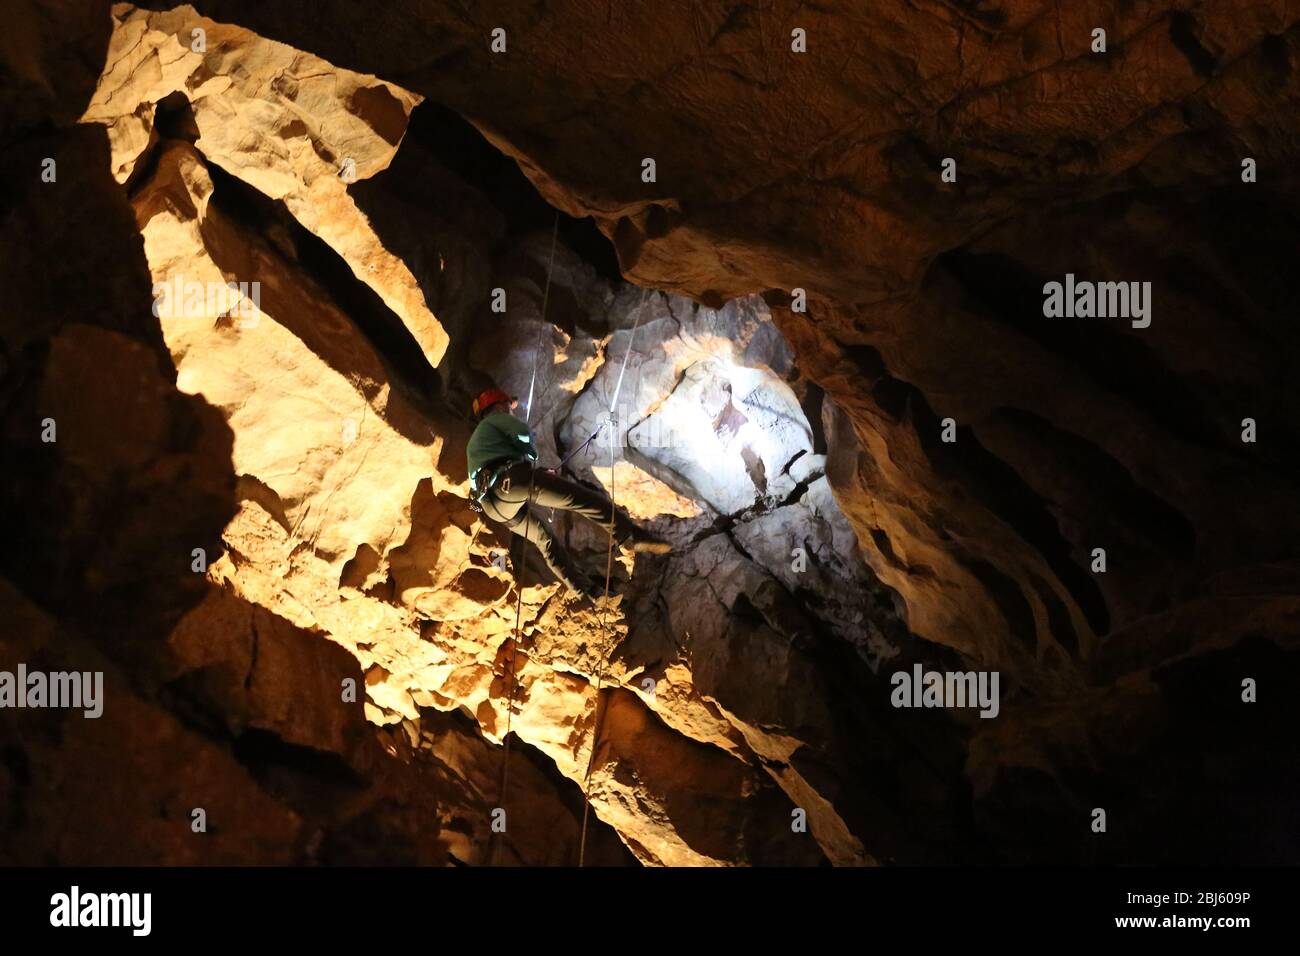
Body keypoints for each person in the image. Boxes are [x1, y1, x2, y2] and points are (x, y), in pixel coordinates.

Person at [466, 387, 671, 597]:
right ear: (499, 405)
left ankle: (588, 592)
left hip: (496, 507)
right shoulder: (494, 420)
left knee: (544, 540)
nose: (511, 410)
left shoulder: (477, 443)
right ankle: (629, 535)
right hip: (511, 482)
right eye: (509, 406)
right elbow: (523, 433)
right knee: (582, 499)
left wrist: (534, 474)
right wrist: (532, 454)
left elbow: (485, 475)